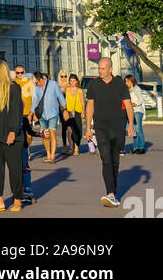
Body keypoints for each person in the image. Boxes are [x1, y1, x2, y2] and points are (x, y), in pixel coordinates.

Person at [85, 56, 134, 207]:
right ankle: (110, 193)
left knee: (114, 161)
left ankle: (113, 192)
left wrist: (131, 124)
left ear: (110, 69)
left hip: (118, 128)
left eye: (103, 68)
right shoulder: (93, 85)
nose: (100, 71)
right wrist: (87, 127)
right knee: (105, 159)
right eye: (99, 68)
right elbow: (90, 106)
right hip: (101, 128)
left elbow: (128, 104)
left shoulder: (120, 84)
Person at [0, 61, 24, 213]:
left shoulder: (14, 88)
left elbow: (17, 111)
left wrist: (13, 131)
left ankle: (17, 200)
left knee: (15, 169)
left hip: (10, 135)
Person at [12, 63, 37, 203]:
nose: (19, 75)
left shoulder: (29, 83)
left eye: (21, 72)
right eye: (17, 73)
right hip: (15, 118)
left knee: (26, 142)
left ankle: (26, 188)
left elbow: (34, 98)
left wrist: (33, 112)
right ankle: (20, 189)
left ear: (24, 72)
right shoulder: (12, 84)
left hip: (26, 115)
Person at [32, 70, 66, 163]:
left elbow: (60, 96)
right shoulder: (37, 88)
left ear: (41, 80)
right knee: (45, 135)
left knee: (52, 133)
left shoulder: (53, 84)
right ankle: (48, 154)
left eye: (36, 83)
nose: (36, 84)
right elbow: (35, 101)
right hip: (42, 115)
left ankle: (52, 156)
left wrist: (65, 110)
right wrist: (33, 113)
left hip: (53, 113)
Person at [62, 73, 84, 155]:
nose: (72, 82)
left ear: (77, 81)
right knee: (70, 130)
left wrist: (83, 111)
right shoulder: (67, 89)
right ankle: (72, 148)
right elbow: (60, 90)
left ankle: (77, 146)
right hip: (69, 112)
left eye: (74, 81)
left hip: (78, 111)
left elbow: (82, 101)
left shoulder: (79, 90)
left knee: (78, 130)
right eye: (71, 81)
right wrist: (66, 84)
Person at [125, 74, 147, 154]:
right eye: (125, 82)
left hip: (137, 111)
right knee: (133, 130)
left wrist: (134, 104)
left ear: (132, 81)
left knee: (138, 129)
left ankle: (141, 147)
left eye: (127, 81)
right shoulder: (128, 90)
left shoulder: (136, 88)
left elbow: (141, 100)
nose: (126, 83)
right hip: (131, 112)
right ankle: (135, 147)